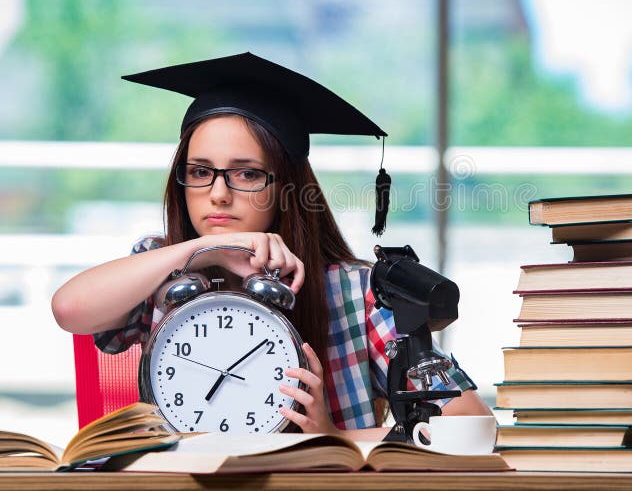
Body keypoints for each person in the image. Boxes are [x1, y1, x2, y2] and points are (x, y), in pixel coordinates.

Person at [52, 52, 491, 441]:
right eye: (201, 171)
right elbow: (69, 308)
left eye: (246, 174)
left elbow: (469, 421)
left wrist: (333, 437)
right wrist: (206, 249)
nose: (219, 194)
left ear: (286, 188)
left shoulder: (355, 294)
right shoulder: (162, 266)